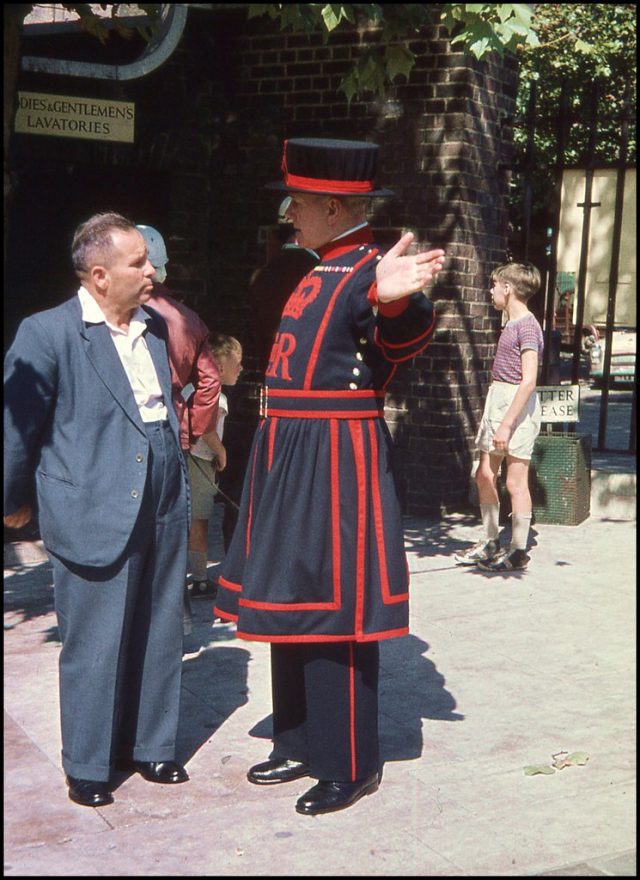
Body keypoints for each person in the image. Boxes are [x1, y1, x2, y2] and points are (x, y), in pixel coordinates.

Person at [214, 137, 446, 816]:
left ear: (333, 205)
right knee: (290, 596)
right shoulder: (319, 265)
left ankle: (349, 761)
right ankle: (298, 738)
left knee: (335, 608)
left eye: (297, 202)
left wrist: (398, 303)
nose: (288, 212)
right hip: (289, 449)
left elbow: (400, 337)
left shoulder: (372, 270)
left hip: (335, 458)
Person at [3, 212, 192, 808]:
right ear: (99, 275)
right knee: (94, 639)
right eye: (140, 263)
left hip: (161, 488)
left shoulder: (155, 329)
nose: (152, 271)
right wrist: (13, 502)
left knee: (160, 624)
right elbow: (16, 426)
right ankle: (88, 762)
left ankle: (152, 745)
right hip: (90, 498)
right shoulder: (47, 333)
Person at [135, 225, 221, 624]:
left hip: (127, 437)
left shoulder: (123, 317)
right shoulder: (186, 319)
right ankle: (175, 616)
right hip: (173, 435)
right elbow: (210, 381)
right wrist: (196, 429)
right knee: (170, 528)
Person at [454, 262, 544, 572]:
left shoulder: (528, 326)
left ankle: (518, 549)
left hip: (515, 406)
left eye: (494, 285)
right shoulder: (509, 322)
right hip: (498, 399)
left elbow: (529, 380)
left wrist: (507, 422)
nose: (491, 291)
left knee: (515, 481)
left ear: (508, 288)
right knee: (484, 473)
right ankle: (491, 540)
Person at [186, 334, 243, 597]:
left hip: (191, 458)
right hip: (199, 459)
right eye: (238, 363)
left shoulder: (196, 388)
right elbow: (205, 428)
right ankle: (199, 579)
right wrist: (221, 452)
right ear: (220, 367)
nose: (241, 369)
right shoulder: (217, 398)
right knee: (200, 520)